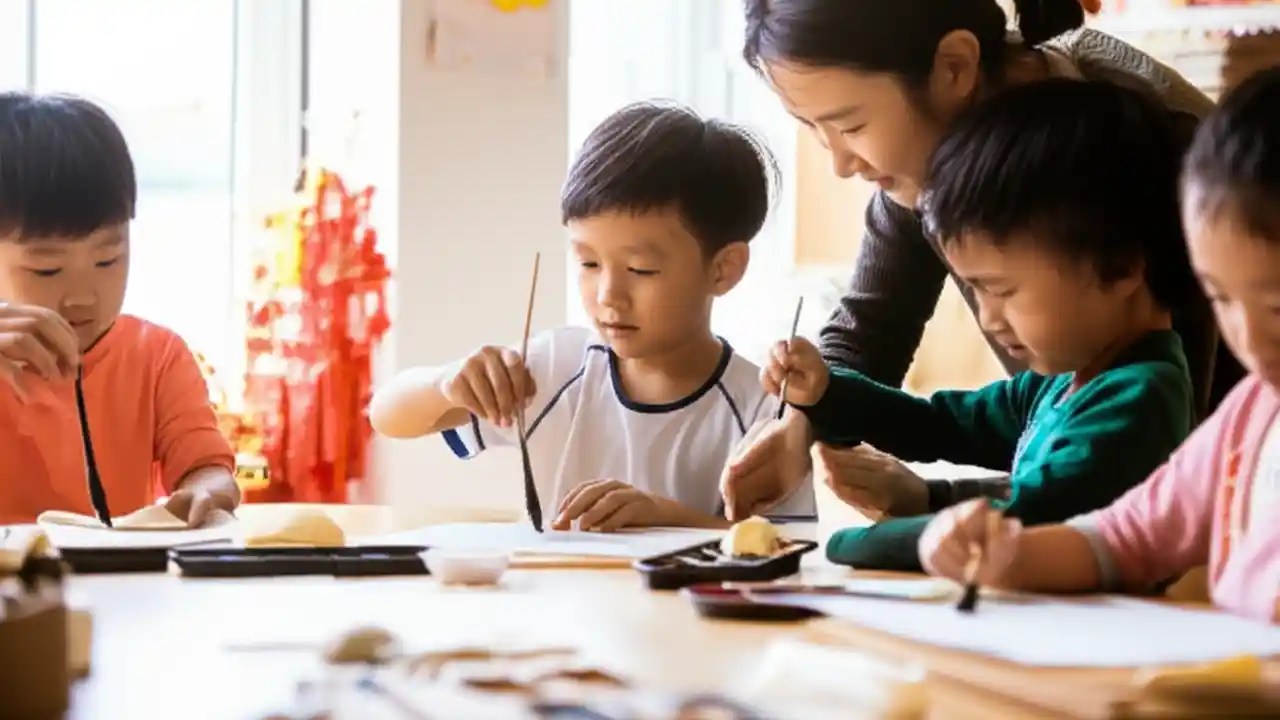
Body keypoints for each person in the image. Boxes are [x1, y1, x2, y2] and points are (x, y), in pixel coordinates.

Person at [721, 0, 1242, 522]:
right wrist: (799, 425)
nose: (838, 163)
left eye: (850, 126)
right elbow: (872, 327)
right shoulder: (922, 162)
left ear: (954, 67)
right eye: (812, 127)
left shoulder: (1151, 159)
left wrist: (935, 505)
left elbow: (1154, 475)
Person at [765, 79, 1193, 569]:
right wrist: (827, 392)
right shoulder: (1061, 382)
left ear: (1120, 269)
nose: (988, 318)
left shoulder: (1139, 401)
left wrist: (846, 544)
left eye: (1002, 291)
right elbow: (939, 424)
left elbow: (1020, 519)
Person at [918, 68, 1280, 622]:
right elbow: (1127, 536)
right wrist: (1009, 555)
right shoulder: (1252, 414)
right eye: (1222, 299)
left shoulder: (1144, 389)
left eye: (1276, 307)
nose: (1248, 340)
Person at [369, 101, 816, 531]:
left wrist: (668, 520)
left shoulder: (765, 414)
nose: (608, 296)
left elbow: (789, 548)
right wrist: (444, 384)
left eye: (640, 269)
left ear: (723, 269)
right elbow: (387, 416)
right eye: (588, 263)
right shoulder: (555, 368)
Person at [0, 92, 238, 527]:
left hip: (118, 571)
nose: (82, 297)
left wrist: (206, 492)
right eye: (46, 269)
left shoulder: (157, 356)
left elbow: (207, 467)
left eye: (108, 260)